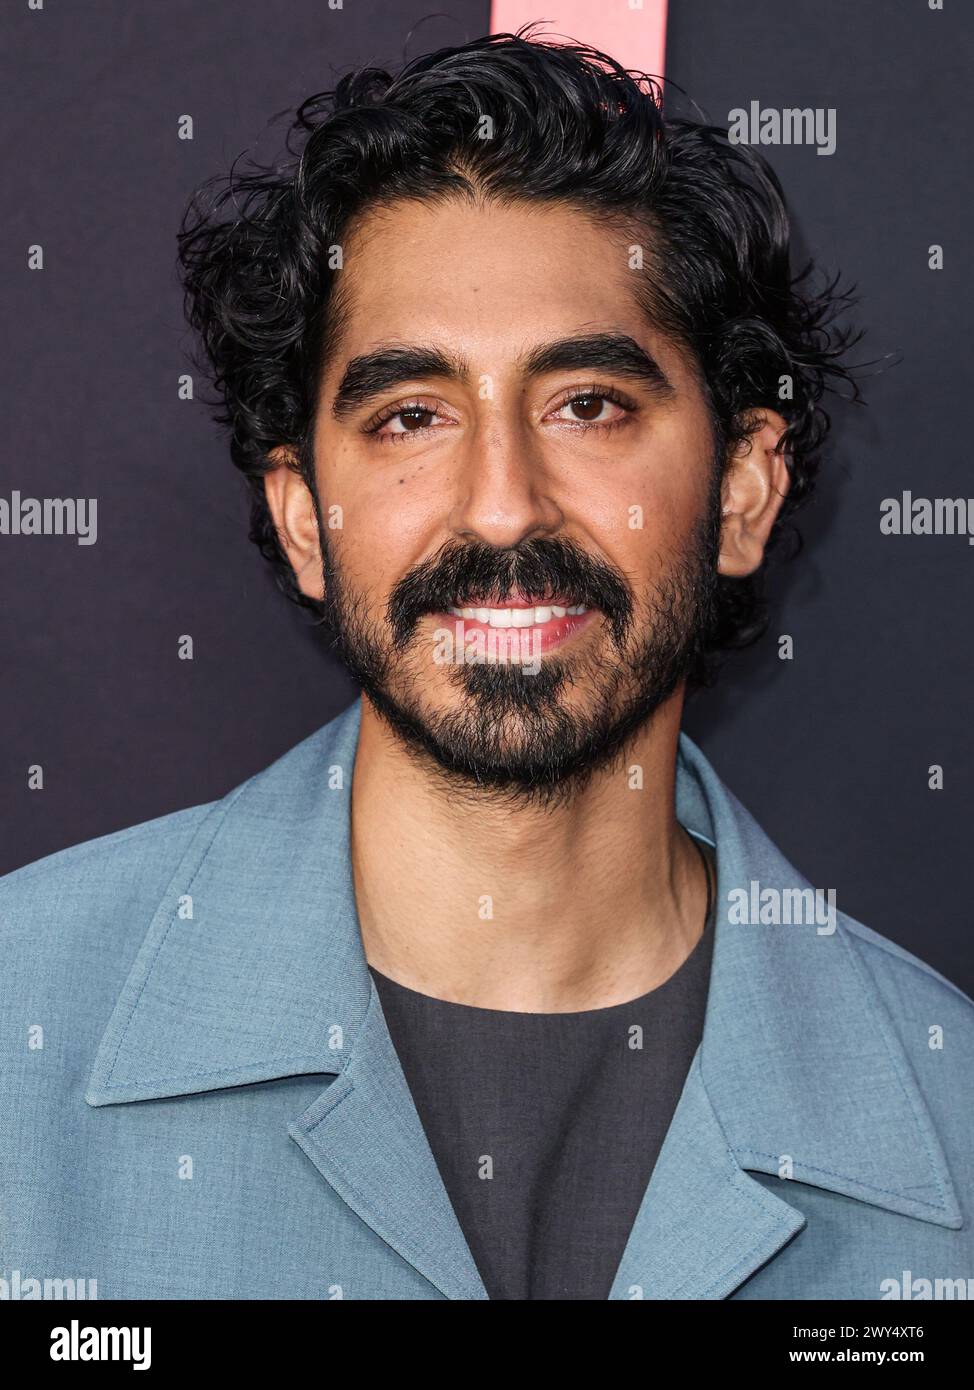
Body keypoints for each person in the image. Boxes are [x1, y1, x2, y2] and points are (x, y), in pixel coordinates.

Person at [2, 29, 971, 1301]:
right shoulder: (21, 1028)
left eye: (588, 405)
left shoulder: (945, 1121)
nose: (502, 506)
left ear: (740, 490)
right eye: (410, 416)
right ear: (304, 519)